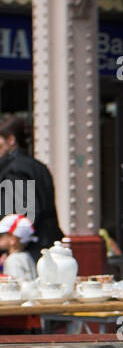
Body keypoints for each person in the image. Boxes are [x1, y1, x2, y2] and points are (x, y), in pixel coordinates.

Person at [0, 115, 63, 252]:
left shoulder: (15, 170)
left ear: (11, 140)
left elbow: (23, 215)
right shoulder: (39, 167)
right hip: (48, 244)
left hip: (28, 250)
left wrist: (8, 248)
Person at [0, 213, 37, 282]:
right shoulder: (26, 255)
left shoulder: (13, 260)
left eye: (1, 235)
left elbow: (17, 285)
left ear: (13, 239)